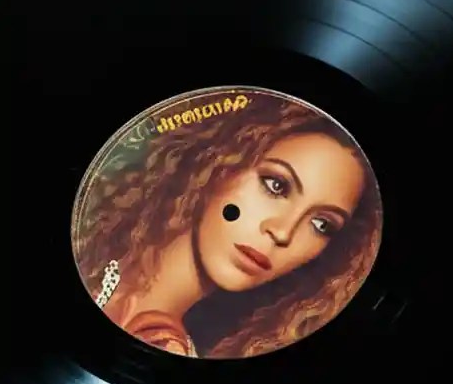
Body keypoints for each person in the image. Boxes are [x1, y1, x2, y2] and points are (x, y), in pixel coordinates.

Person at [71, 91, 383, 358]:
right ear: (219, 162)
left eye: (321, 224)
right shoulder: (92, 250)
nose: (283, 232)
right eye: (276, 185)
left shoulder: (169, 348)